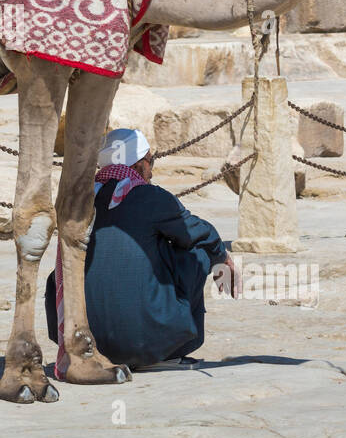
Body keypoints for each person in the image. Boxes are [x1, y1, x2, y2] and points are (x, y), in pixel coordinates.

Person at [45, 128, 238, 372]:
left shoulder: (79, 201)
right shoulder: (149, 196)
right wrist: (223, 256)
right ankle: (168, 346)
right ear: (136, 166)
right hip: (145, 344)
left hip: (85, 343)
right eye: (150, 161)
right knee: (196, 252)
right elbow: (201, 233)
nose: (152, 170)